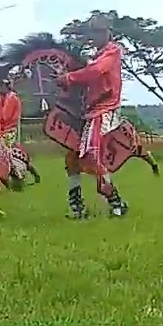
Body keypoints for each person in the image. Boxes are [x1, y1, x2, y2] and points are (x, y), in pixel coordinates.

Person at [55, 14, 128, 218]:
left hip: (104, 110)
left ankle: (116, 202)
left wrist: (68, 77)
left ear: (107, 33)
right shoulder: (96, 56)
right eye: (92, 32)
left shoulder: (112, 52)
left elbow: (95, 71)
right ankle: (76, 205)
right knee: (71, 156)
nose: (95, 36)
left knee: (91, 155)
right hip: (89, 111)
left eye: (98, 32)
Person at [0, 78, 41, 186]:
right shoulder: (7, 97)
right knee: (12, 154)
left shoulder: (11, 98)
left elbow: (5, 116)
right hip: (6, 130)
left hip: (7, 130)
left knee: (5, 155)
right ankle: (24, 174)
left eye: (1, 87)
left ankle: (17, 175)